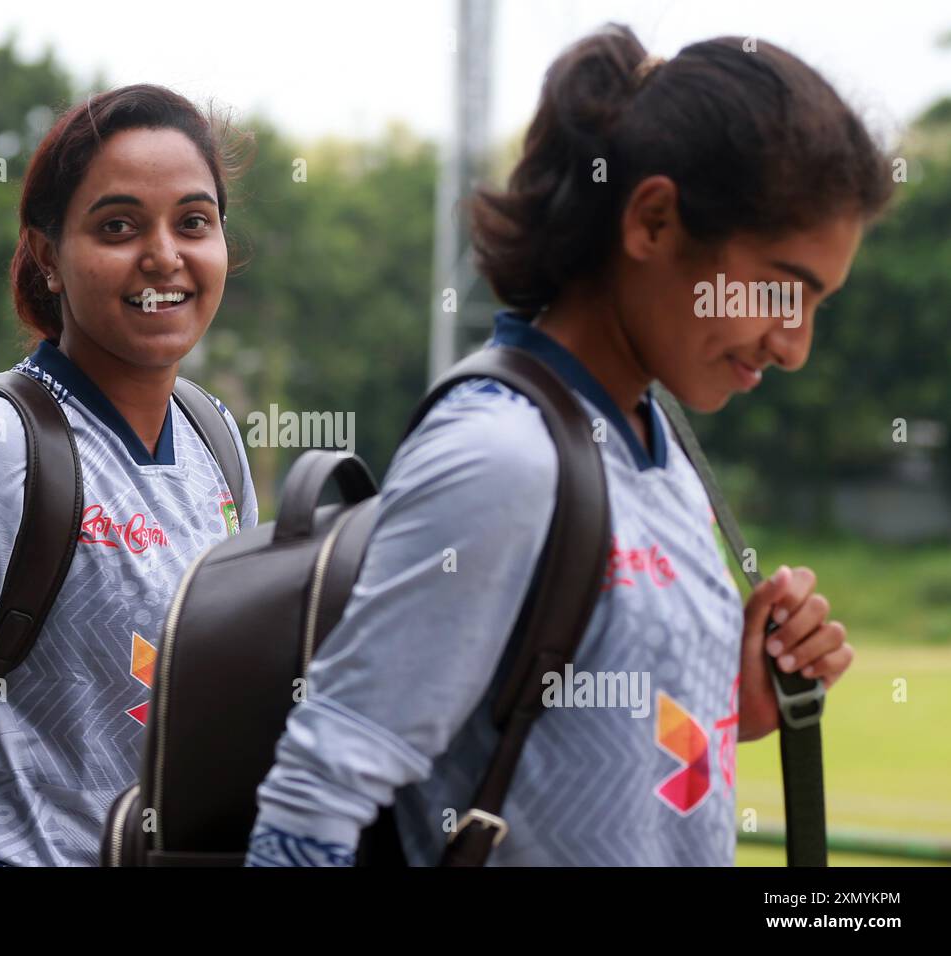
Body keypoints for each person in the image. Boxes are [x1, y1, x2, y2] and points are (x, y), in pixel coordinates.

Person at [246, 25, 892, 866]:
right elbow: (314, 803)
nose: (794, 344)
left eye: (820, 305)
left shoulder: (662, 448)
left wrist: (732, 701)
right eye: (780, 288)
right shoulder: (501, 454)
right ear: (654, 221)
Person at [0, 84, 258, 866]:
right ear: (48, 257)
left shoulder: (215, 437)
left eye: (194, 222)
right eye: (118, 226)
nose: (164, 255)